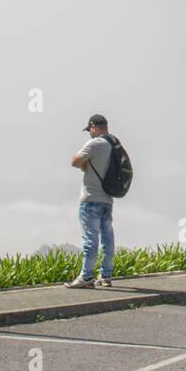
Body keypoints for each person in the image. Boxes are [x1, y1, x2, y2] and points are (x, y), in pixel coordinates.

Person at [69, 114, 115, 288]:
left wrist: (84, 165)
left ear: (94, 126)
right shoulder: (114, 143)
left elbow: (74, 161)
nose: (90, 133)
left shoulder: (95, 143)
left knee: (90, 239)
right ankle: (106, 276)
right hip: (108, 199)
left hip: (91, 198)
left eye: (90, 130)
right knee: (107, 238)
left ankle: (87, 276)